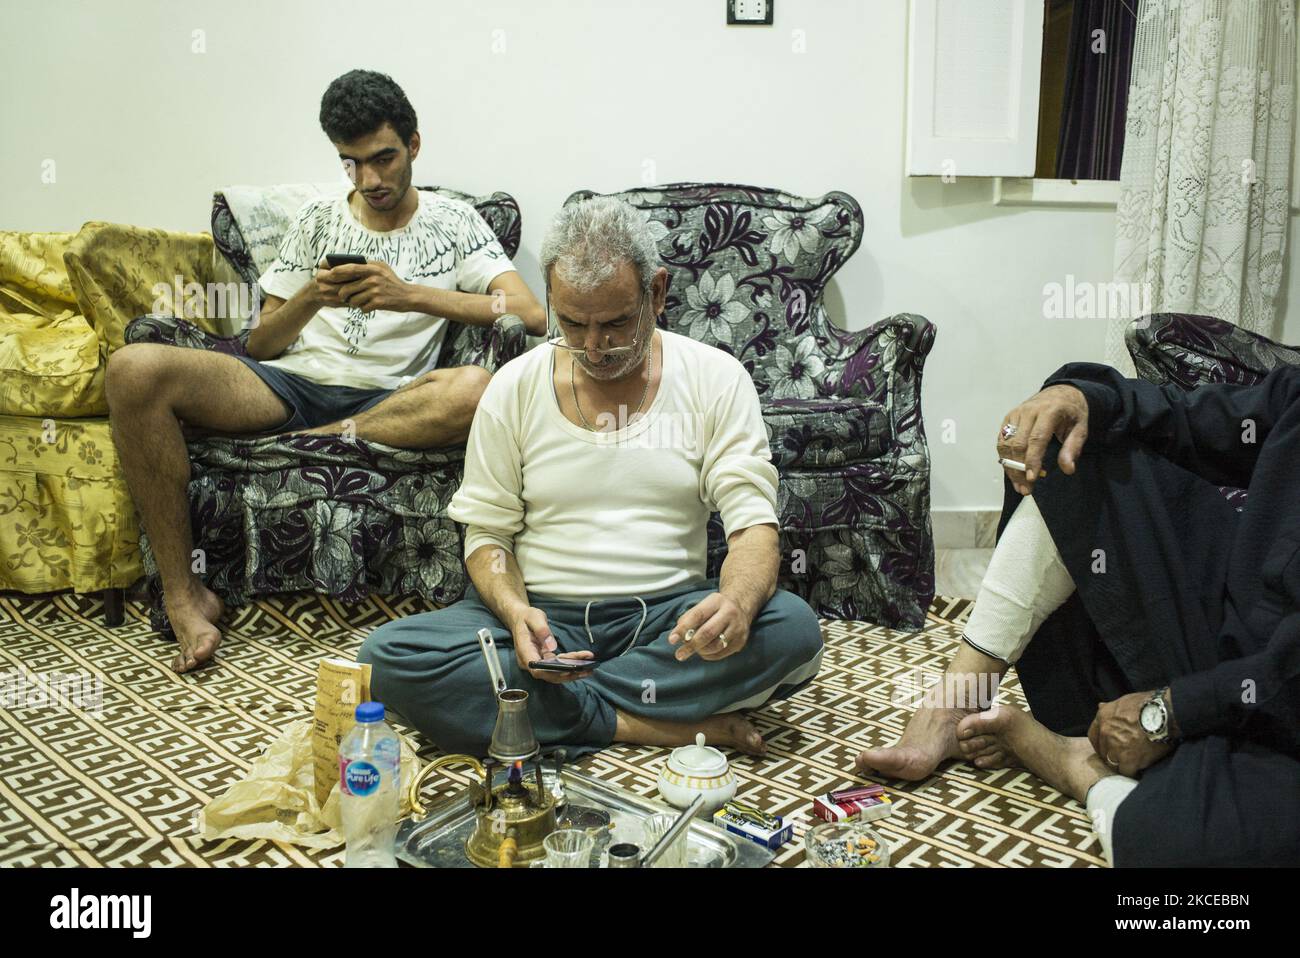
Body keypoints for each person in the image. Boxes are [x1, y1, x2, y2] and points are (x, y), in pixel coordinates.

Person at [106, 70, 545, 674]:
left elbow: (528, 312)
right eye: (352, 163)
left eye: (384, 158)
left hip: (396, 400)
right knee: (132, 369)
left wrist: (408, 294)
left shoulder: (457, 221)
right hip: (291, 385)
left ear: (414, 145)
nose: (370, 179)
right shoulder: (315, 218)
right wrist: (311, 296)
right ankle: (184, 594)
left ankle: (324, 439)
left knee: (477, 389)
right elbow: (260, 343)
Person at [358, 197, 824, 757]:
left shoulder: (715, 378)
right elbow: (486, 537)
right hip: (540, 624)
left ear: (656, 292)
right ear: (552, 300)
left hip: (666, 624)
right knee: (386, 659)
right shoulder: (513, 386)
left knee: (793, 630)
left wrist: (737, 605)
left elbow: (753, 526)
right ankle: (639, 722)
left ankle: (549, 709)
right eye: (572, 324)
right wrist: (513, 611)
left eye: (616, 324)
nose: (595, 347)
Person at [857, 361, 1300, 866]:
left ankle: (1075, 766)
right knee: (1077, 444)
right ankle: (956, 701)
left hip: (1282, 711)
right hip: (1229, 631)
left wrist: (1173, 711)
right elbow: (1190, 416)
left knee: (1191, 850)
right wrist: (1079, 399)